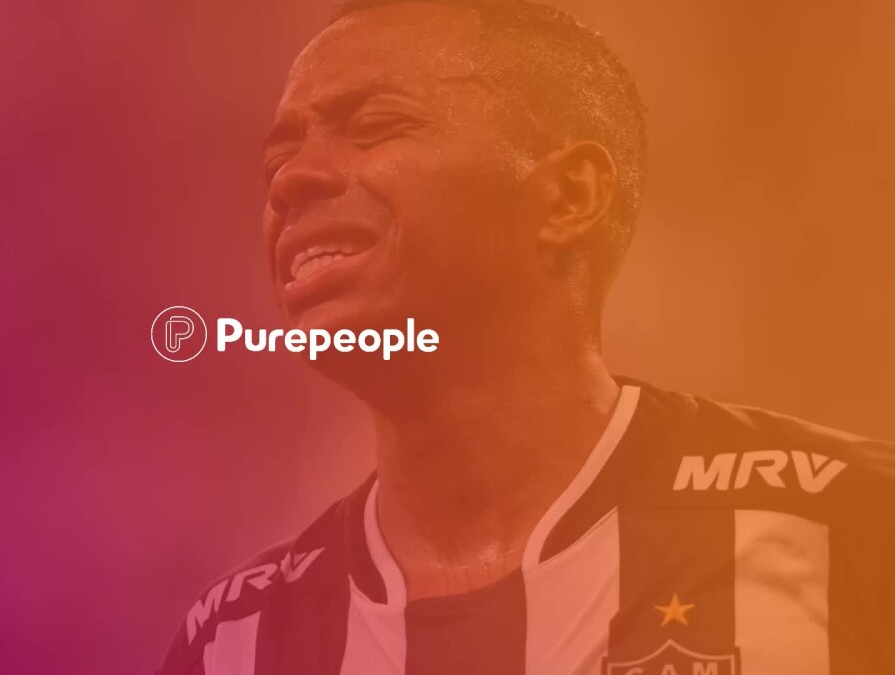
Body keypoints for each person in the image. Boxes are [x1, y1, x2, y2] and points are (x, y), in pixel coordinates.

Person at [158, 1, 895, 673]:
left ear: (569, 196)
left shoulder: (852, 523)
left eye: (376, 126)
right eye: (277, 159)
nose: (292, 180)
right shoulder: (234, 641)